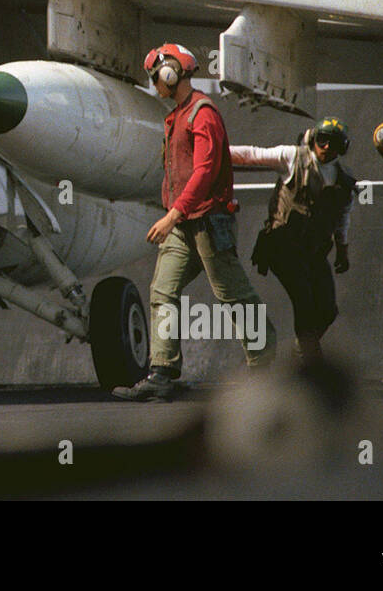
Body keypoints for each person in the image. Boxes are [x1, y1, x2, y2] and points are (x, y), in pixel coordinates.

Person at [112, 43, 276, 401]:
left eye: (156, 77)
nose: (155, 84)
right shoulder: (176, 116)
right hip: (184, 223)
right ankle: (163, 371)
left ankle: (265, 372)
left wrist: (173, 214)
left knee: (234, 296)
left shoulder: (203, 114)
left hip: (208, 221)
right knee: (162, 291)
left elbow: (205, 172)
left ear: (171, 73)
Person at [232, 117, 355, 362]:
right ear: (313, 140)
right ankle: (308, 355)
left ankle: (302, 347)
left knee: (328, 311)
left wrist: (342, 250)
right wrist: (209, 150)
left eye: (332, 143)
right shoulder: (293, 158)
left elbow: (342, 217)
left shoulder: (344, 180)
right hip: (282, 246)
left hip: (314, 251)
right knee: (304, 301)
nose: (326, 147)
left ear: (342, 147)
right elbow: (252, 155)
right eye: (322, 141)